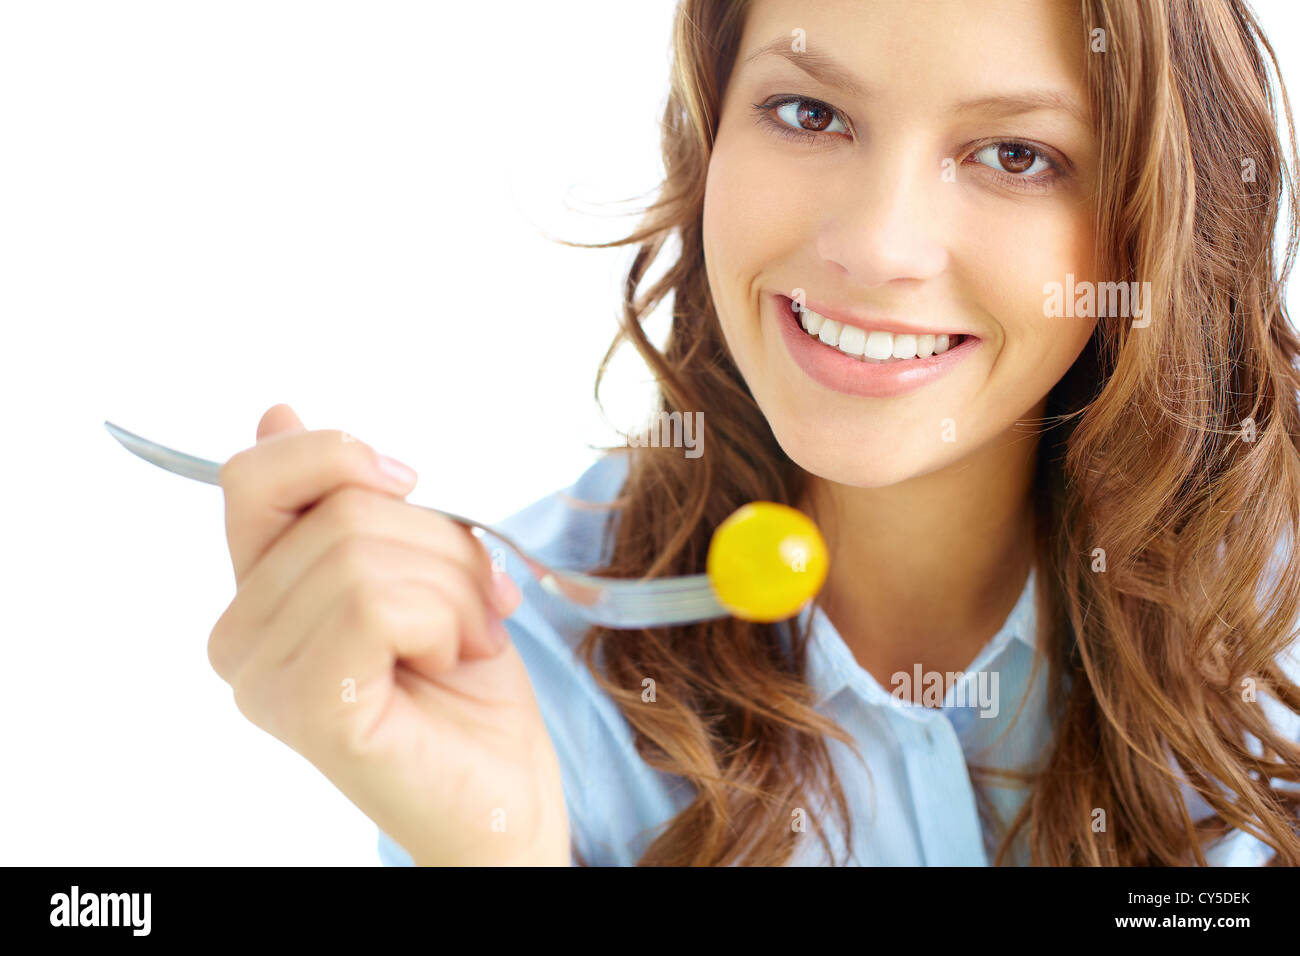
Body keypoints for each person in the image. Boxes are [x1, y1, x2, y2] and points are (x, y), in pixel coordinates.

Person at [209, 0, 1300, 866]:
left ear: (1155, 216)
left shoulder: (1278, 617)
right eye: (809, 113)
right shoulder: (515, 658)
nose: (876, 246)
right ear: (710, 128)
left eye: (1014, 153)